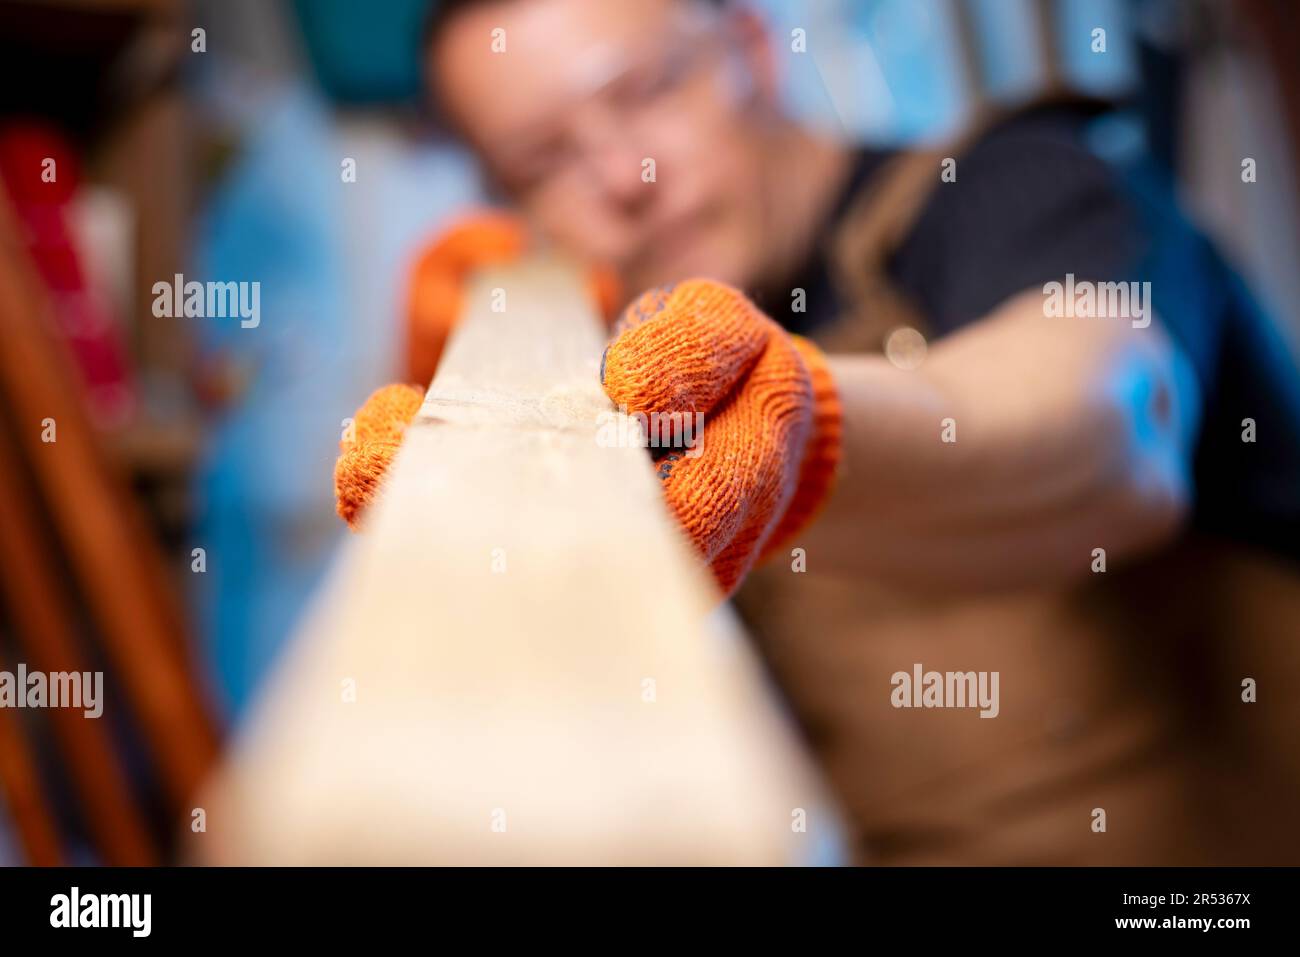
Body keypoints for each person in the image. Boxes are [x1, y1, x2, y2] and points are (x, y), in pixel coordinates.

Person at [336, 0, 1300, 863]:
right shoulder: (632, 369)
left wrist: (802, 429)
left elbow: (1113, 428)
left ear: (753, 50)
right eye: (540, 161)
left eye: (644, 92)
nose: (623, 179)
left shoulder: (1021, 189)